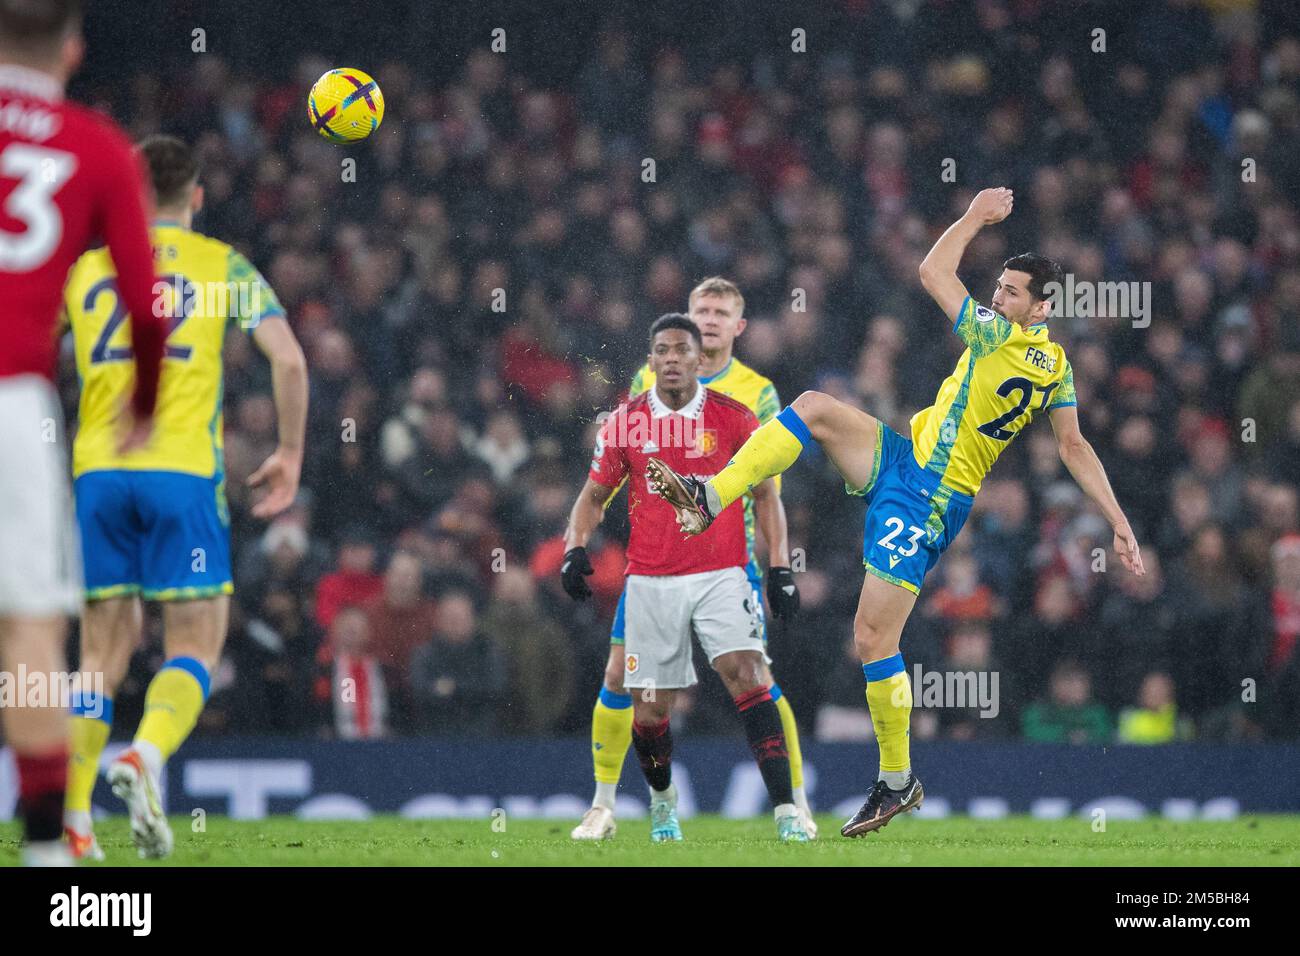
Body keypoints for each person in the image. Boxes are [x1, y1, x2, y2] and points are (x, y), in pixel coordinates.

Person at [647, 187, 1145, 837]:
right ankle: (710, 495)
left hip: (931, 497)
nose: (998, 297)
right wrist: (1118, 517)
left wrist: (973, 217)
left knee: (872, 640)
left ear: (1042, 307)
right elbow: (1073, 445)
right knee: (814, 407)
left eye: (1012, 291)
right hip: (903, 459)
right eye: (999, 287)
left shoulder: (998, 338)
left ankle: (897, 779)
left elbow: (931, 271)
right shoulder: (1055, 366)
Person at [62, 134, 308, 859]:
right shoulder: (222, 267)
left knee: (100, 655)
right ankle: (145, 754)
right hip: (180, 473)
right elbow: (289, 360)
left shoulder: (85, 271)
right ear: (195, 196)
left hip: (98, 475)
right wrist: (289, 453)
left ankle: (75, 817)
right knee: (197, 640)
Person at [0, 0, 166, 867]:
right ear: (73, 48)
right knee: (27, 631)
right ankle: (44, 859)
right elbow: (146, 306)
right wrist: (140, 406)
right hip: (12, 404)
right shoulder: (92, 143)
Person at [569, 277, 811, 841]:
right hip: (653, 566)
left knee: (753, 677)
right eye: (699, 309)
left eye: (718, 313)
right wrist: (575, 546)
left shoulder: (754, 396)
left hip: (728, 559)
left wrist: (779, 565)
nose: (706, 320)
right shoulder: (638, 399)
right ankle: (609, 804)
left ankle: (792, 805)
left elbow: (768, 489)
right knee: (630, 688)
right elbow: (612, 476)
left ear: (734, 328)